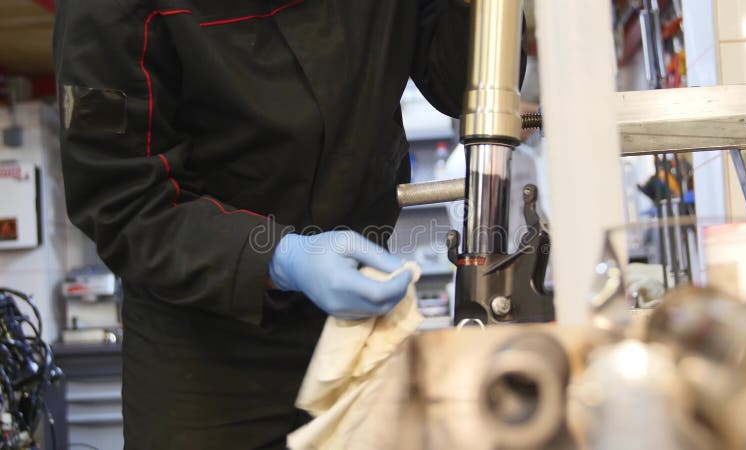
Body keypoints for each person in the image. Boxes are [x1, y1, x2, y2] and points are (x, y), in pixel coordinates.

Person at [52, 1, 509, 448]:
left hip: (357, 322)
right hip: (200, 339)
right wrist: (276, 256)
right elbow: (118, 200)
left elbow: (463, 83)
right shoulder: (105, 11)